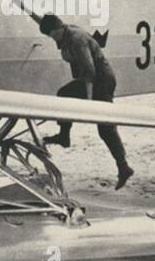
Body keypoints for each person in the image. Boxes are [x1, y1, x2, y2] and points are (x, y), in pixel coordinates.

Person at [38, 13, 133, 189]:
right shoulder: (64, 30)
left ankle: (124, 167)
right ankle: (64, 136)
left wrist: (88, 102)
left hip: (101, 80)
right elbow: (48, 24)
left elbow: (89, 71)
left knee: (105, 127)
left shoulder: (76, 39)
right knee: (64, 94)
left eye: (52, 35)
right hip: (91, 79)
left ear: (58, 29)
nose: (53, 40)